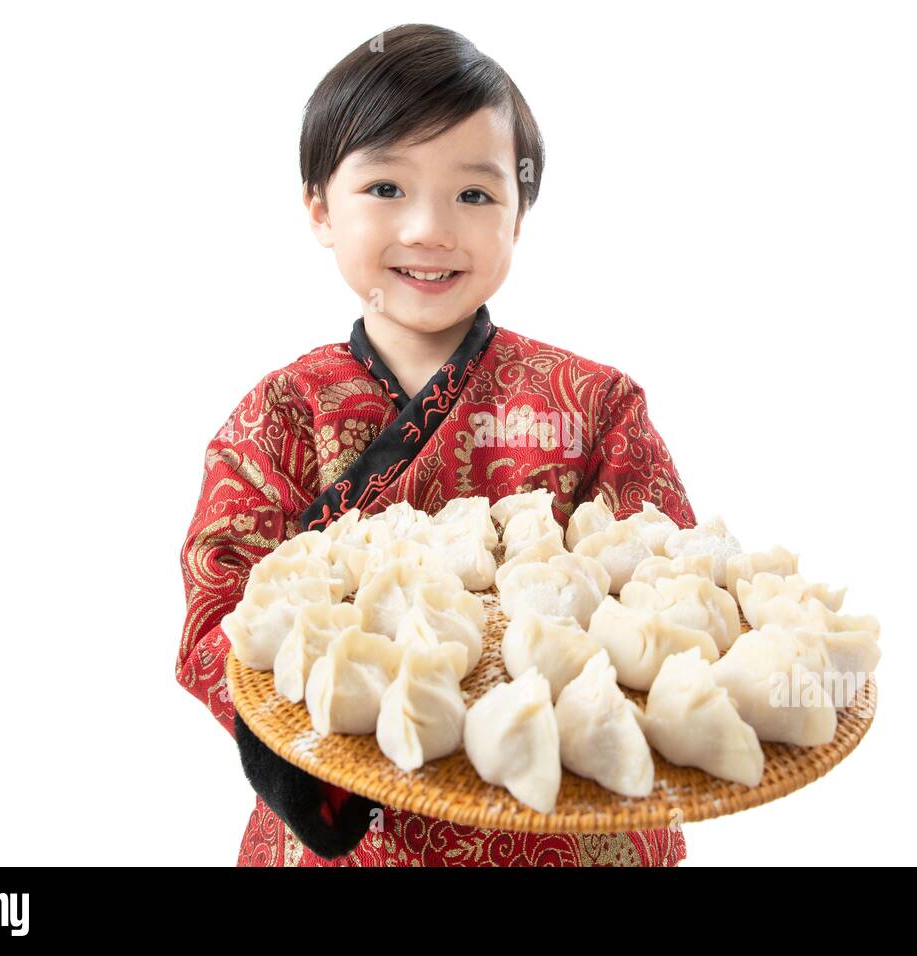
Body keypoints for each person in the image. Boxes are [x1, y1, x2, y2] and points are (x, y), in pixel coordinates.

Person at [176, 23, 698, 866]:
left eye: (475, 195)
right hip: (356, 834)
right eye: (386, 187)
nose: (428, 228)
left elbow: (674, 585)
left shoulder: (594, 404)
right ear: (319, 207)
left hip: (566, 820)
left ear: (520, 216)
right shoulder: (282, 413)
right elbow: (218, 607)